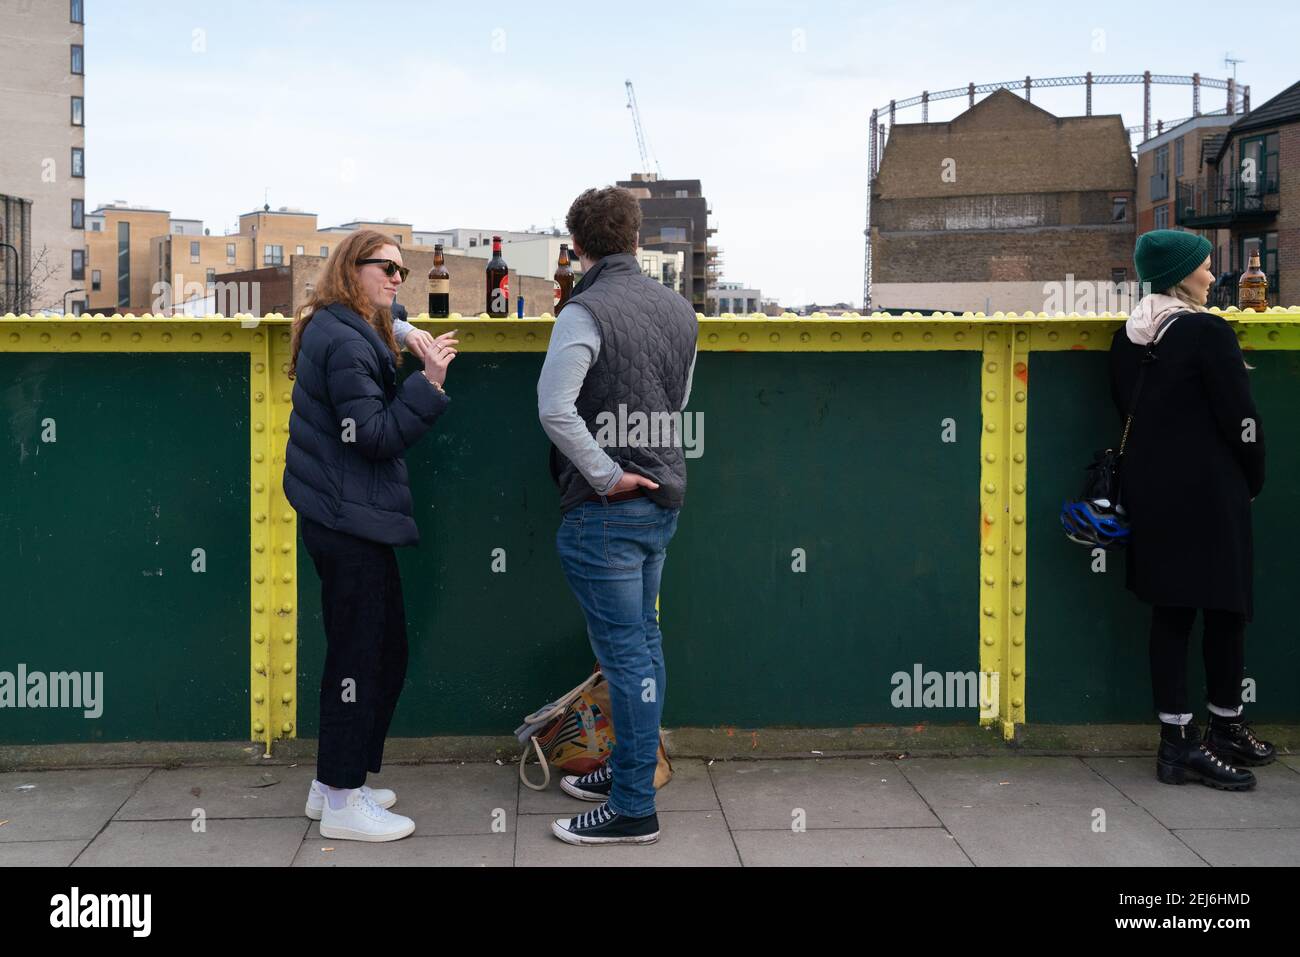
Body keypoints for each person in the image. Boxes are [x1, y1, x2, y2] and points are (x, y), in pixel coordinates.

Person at [284, 228, 458, 840]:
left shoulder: (341, 322)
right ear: (350, 269)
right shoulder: (349, 345)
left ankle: (333, 781)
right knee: (363, 656)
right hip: (347, 516)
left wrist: (408, 332)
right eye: (384, 268)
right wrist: (429, 382)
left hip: (341, 513)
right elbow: (375, 434)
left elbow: (398, 316)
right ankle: (341, 799)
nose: (396, 278)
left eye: (401, 270)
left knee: (374, 651)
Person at [538, 187, 698, 845]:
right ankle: (628, 772)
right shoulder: (681, 311)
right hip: (661, 502)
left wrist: (604, 474)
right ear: (636, 239)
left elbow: (555, 409)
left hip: (606, 513)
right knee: (644, 650)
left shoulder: (584, 310)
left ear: (577, 246)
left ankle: (633, 807)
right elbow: (674, 401)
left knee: (626, 656)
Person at [1109, 229, 1273, 790]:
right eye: (1203, 267)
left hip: (1150, 493)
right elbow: (1242, 420)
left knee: (1172, 613)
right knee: (1226, 608)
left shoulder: (1128, 337)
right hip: (1211, 491)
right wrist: (1252, 478)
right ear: (1180, 275)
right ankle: (1222, 726)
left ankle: (1178, 742)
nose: (1212, 276)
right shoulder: (1207, 331)